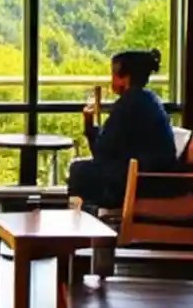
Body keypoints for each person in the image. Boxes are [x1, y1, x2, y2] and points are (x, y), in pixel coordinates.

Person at [67, 49, 176, 210]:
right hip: (154, 176)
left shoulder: (128, 104)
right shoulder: (148, 99)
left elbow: (102, 152)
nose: (111, 80)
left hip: (145, 180)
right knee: (85, 171)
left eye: (113, 74)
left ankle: (83, 222)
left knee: (79, 171)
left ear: (124, 78)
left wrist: (89, 124)